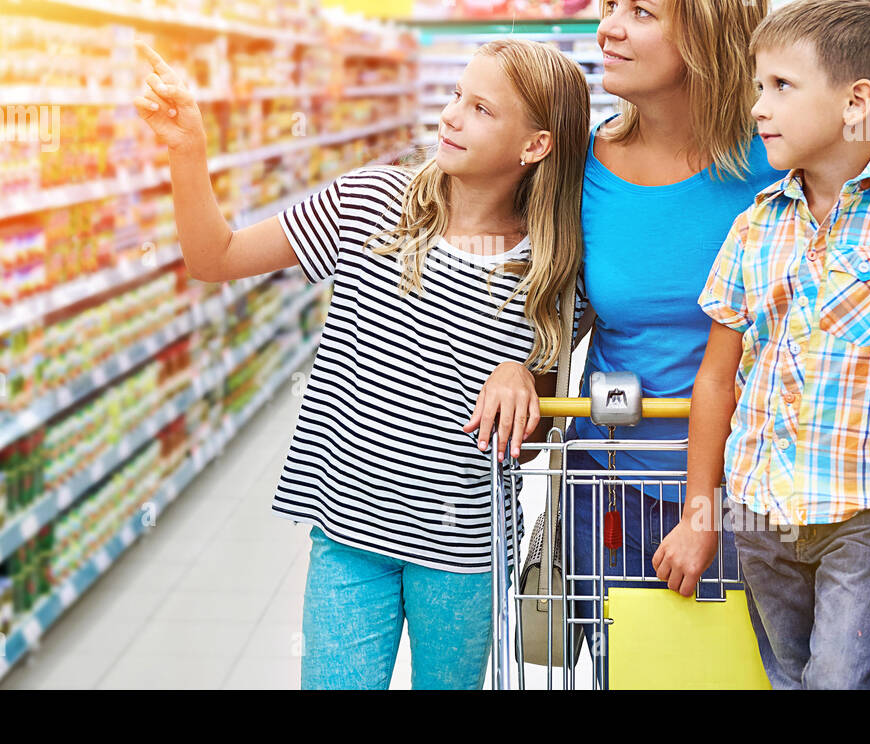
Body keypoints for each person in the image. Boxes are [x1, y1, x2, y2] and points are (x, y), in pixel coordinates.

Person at [134, 37, 589, 689]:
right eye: (457, 94)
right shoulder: (372, 203)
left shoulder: (551, 271)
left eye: (482, 108)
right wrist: (187, 153)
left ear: (535, 146)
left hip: (464, 553)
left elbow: (530, 441)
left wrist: (524, 378)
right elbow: (216, 258)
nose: (452, 115)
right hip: (349, 535)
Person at [655, 0, 870, 690]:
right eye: (760, 86)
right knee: (786, 676)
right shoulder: (756, 226)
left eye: (781, 86)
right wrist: (701, 511)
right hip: (759, 511)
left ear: (856, 102)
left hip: (865, 508)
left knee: (840, 680)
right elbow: (717, 378)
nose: (758, 107)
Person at [467, 0, 784, 683]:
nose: (607, 26)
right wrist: (518, 364)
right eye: (611, 4)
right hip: (610, 489)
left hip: (760, 498)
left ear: (708, 32)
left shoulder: (781, 159)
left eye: (641, 11)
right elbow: (549, 309)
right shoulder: (580, 172)